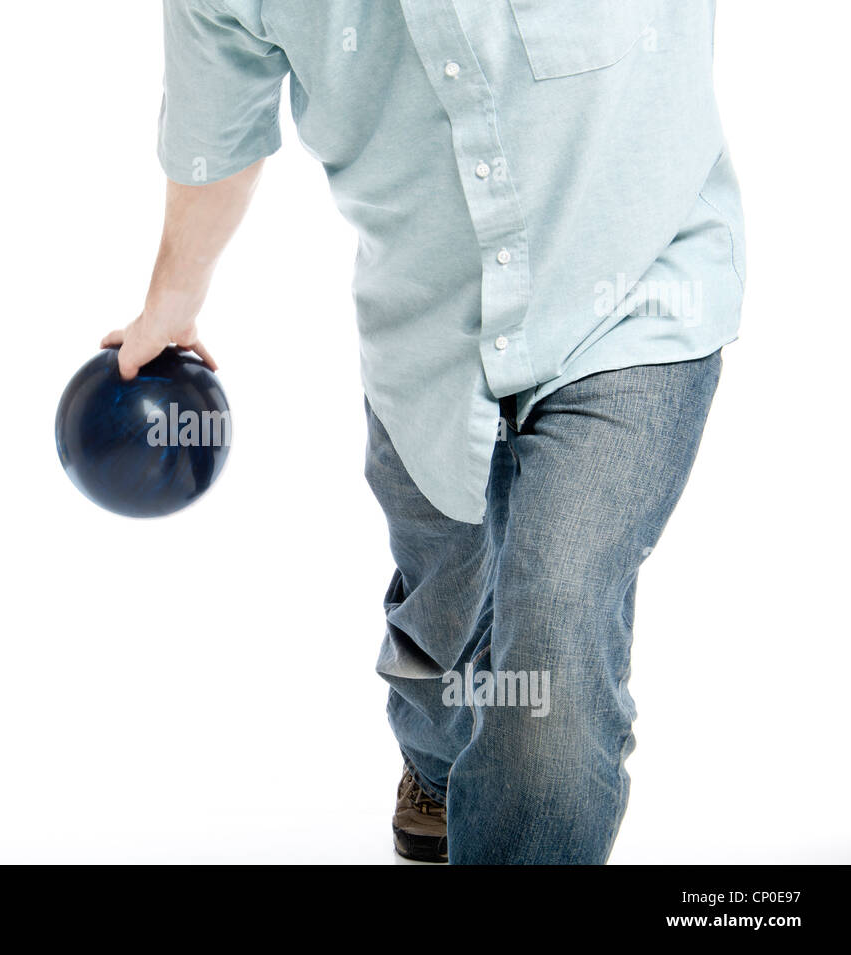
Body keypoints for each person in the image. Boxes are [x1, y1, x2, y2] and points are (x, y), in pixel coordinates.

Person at [101, 0, 743, 864]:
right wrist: (172, 304)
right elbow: (220, 134)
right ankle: (438, 772)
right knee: (445, 614)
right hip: (429, 341)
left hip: (636, 298)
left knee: (550, 647)